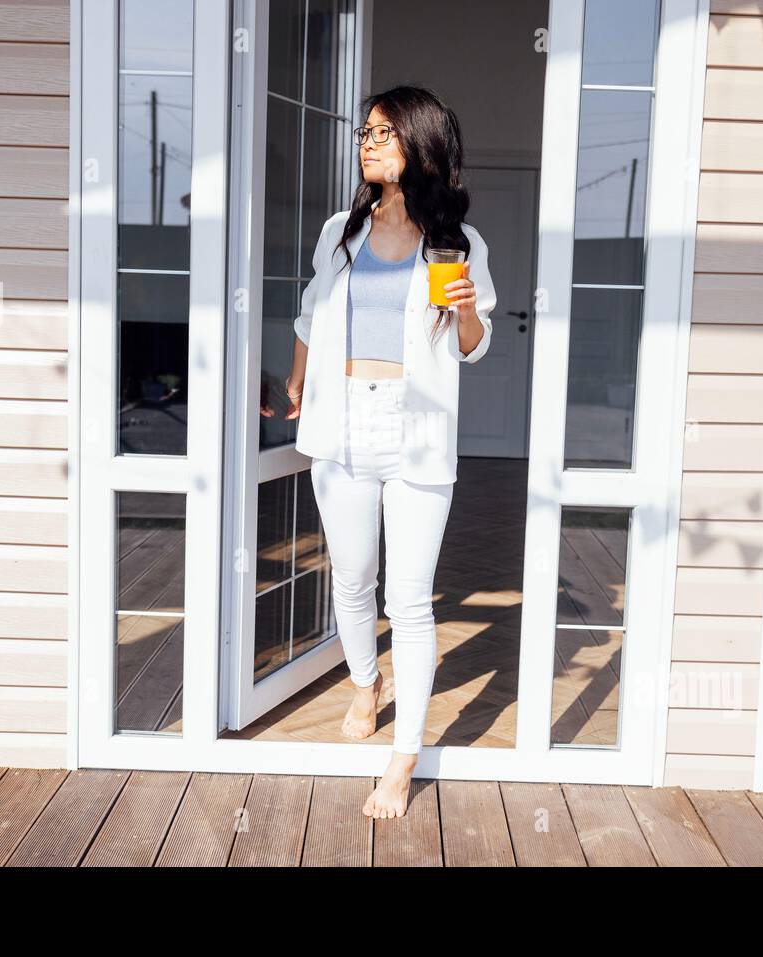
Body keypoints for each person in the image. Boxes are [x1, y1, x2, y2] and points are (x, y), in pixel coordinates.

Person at [276, 85, 495, 818]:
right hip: (342, 421)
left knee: (409, 597)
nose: (368, 143)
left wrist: (464, 306)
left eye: (383, 133)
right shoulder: (341, 229)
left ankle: (404, 757)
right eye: (365, 132)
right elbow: (310, 310)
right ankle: (366, 678)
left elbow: (472, 347)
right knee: (352, 575)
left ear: (420, 145)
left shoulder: (457, 243)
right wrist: (298, 378)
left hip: (416, 429)